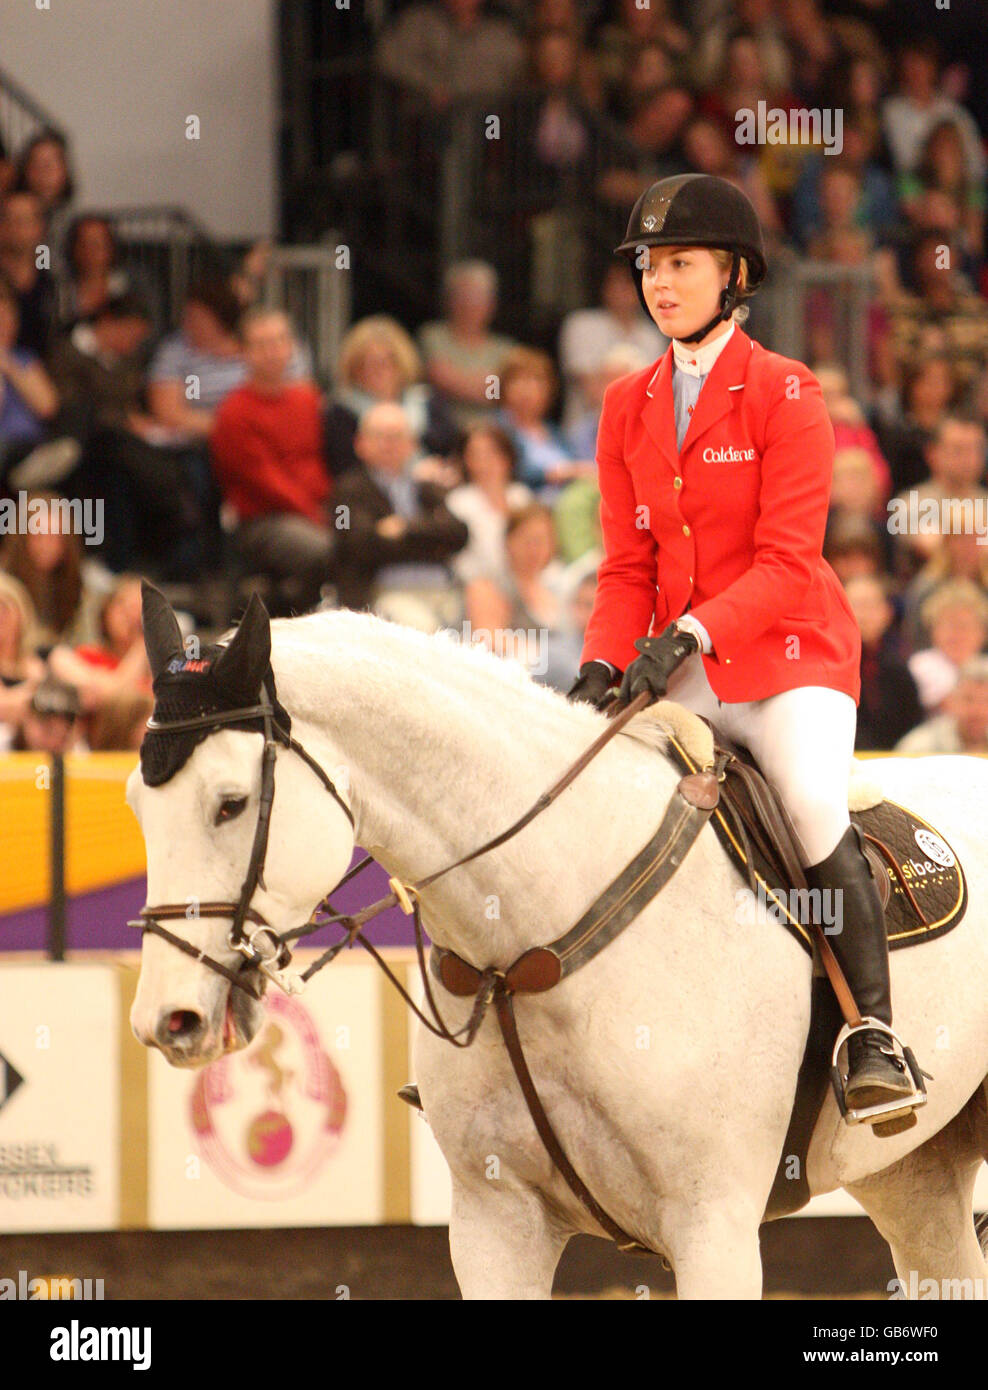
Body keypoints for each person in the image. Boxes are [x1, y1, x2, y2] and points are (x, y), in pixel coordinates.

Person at [567, 172, 923, 1127]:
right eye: (650, 265)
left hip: (790, 652)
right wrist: (602, 662)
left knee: (807, 800)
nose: (660, 282)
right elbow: (625, 568)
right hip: (677, 665)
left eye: (681, 263)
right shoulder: (624, 405)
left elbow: (787, 559)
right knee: (583, 794)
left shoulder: (787, 390)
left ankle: (872, 1035)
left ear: (733, 275)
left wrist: (684, 633)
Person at [210, 308, 335, 613]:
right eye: (262, 344)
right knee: (325, 549)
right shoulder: (234, 412)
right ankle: (298, 613)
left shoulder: (308, 398)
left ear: (292, 346)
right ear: (245, 352)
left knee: (362, 538)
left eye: (280, 341)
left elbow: (328, 460)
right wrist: (319, 516)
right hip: (264, 521)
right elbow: (267, 483)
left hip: (318, 508)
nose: (273, 351)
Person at [332, 400, 468, 628]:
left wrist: (403, 528)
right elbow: (355, 542)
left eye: (396, 436)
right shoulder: (345, 492)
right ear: (360, 443)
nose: (388, 444)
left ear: (412, 444)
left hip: (445, 589)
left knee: (483, 634)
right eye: (379, 436)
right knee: (424, 631)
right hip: (383, 596)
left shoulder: (428, 489)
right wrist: (430, 540)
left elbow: (458, 534)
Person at [895, 656, 988, 755]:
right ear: (952, 701)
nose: (978, 711)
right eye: (968, 700)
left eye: (986, 701)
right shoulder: (919, 747)